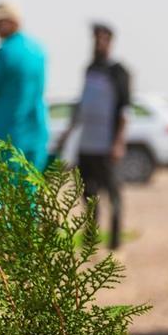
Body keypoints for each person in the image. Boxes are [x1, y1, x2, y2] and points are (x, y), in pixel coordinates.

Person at [58, 21, 130, 249]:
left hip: (106, 145)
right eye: (95, 38)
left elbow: (124, 110)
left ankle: (115, 243)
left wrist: (118, 142)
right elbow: (82, 105)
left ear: (110, 41)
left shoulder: (119, 72)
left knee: (113, 194)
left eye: (102, 38)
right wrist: (67, 134)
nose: (98, 43)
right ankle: (91, 239)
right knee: (88, 194)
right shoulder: (90, 69)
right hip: (87, 145)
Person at [0, 0, 47, 170]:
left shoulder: (6, 52)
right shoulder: (38, 50)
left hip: (8, 134)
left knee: (2, 189)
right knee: (31, 188)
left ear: (11, 22)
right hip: (36, 131)